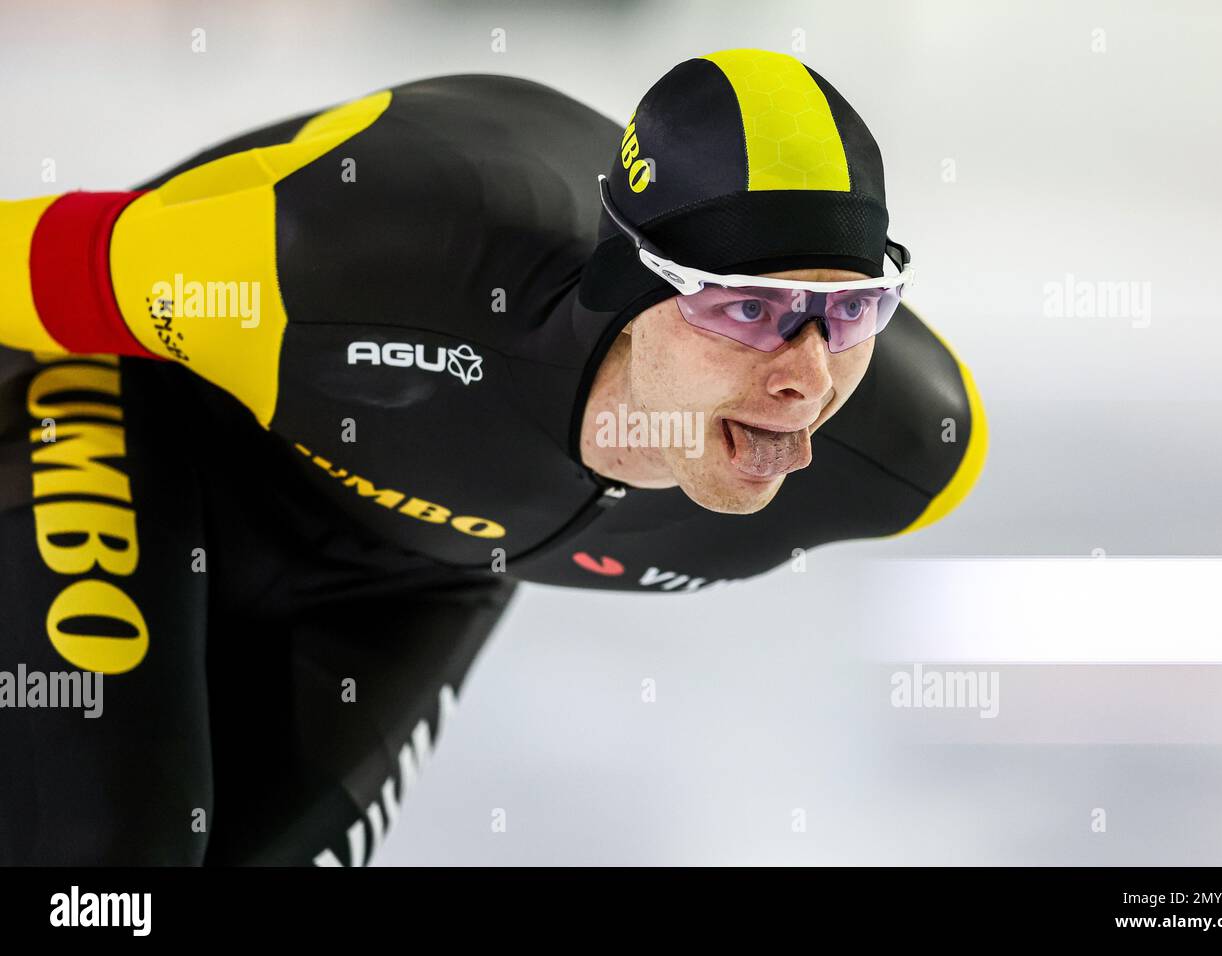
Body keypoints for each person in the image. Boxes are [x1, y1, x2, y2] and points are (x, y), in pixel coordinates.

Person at [0, 48, 987, 865]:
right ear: (625, 286)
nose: (805, 378)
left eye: (852, 309)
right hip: (142, 423)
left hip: (412, 578)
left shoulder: (904, 450)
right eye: (745, 309)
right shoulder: (362, 253)